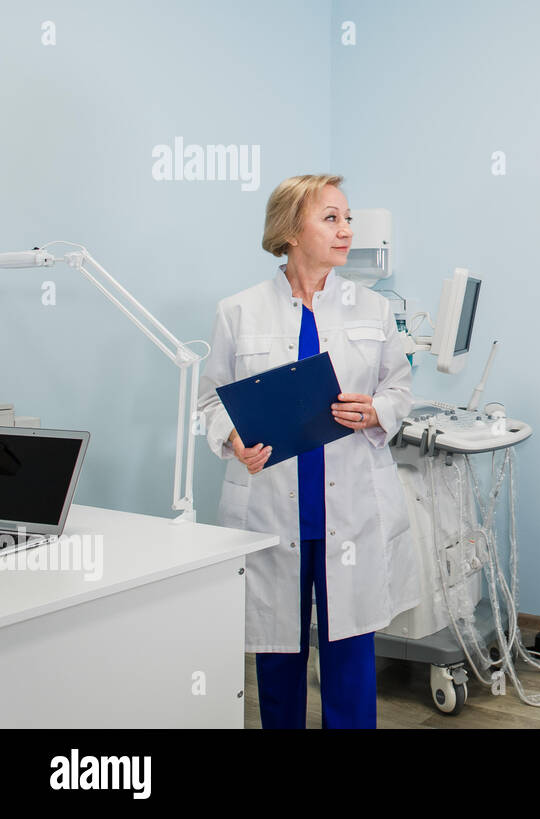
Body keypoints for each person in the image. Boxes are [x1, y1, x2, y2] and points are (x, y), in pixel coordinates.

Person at [196, 174, 418, 729]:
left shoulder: (372, 308)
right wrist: (232, 437)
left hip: (352, 509)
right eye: (332, 219)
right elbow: (208, 402)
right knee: (278, 654)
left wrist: (378, 411)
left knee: (350, 655)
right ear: (292, 230)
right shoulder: (238, 312)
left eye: (348, 220)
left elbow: (400, 389)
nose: (346, 231)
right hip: (272, 507)